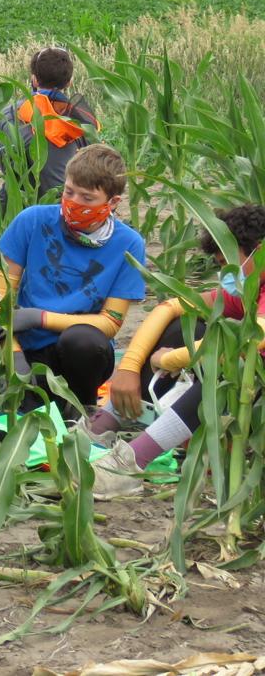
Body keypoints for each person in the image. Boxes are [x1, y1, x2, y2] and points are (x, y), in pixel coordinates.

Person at [86, 204, 265, 498]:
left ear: (258, 251)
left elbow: (252, 339)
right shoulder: (253, 288)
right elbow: (172, 306)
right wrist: (129, 367)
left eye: (227, 264)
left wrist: (169, 359)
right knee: (186, 326)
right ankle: (107, 421)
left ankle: (133, 463)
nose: (225, 273)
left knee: (228, 368)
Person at [0, 144, 146, 414]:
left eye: (87, 198)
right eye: (69, 191)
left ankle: (82, 409)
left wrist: (38, 317)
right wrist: (13, 352)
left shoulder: (129, 244)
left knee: (81, 341)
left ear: (112, 203)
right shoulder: (32, 221)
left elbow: (110, 323)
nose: (74, 202)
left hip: (82, 354)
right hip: (27, 350)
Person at [0, 47, 99, 206]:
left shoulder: (7, 114)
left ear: (34, 80)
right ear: (69, 82)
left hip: (13, 206)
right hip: (58, 209)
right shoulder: (76, 123)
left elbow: (4, 163)